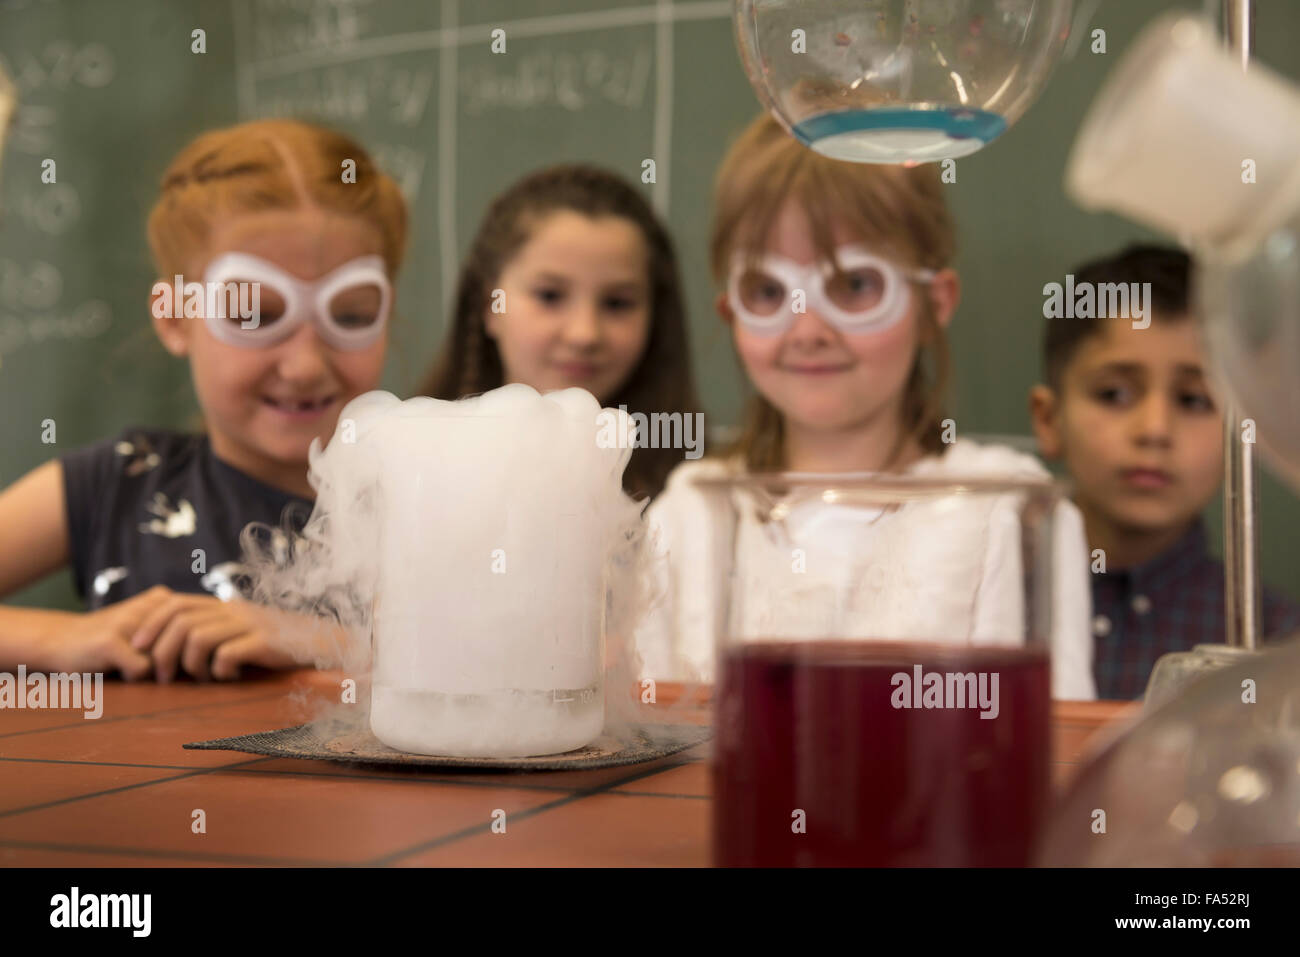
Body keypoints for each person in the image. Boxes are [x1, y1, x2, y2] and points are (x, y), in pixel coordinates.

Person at [639, 113, 1096, 700]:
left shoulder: (1011, 512)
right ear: (732, 314)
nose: (807, 330)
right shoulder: (690, 515)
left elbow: (1049, 750)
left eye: (855, 286)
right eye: (770, 291)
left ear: (934, 303)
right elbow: (648, 746)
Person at [0, 119, 407, 682]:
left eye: (351, 315)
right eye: (256, 316)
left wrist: (316, 640)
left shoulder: (428, 503)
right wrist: (65, 638)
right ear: (175, 318)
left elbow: (509, 657)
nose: (307, 364)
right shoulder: (119, 483)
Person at [1030, 243, 1300, 699]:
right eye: (1114, 394)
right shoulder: (991, 608)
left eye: (1195, 400)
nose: (1155, 430)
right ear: (1048, 419)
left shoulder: (1277, 645)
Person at [418, 164, 700, 501]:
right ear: (488, 305)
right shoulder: (416, 468)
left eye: (617, 303)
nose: (584, 334)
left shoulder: (691, 494)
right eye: (549, 296)